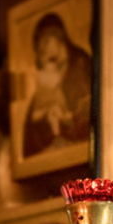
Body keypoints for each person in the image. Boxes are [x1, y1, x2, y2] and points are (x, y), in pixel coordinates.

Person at [22, 13, 93, 157]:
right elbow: (30, 136)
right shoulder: (48, 75)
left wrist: (69, 119)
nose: (44, 50)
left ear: (59, 36)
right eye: (40, 48)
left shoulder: (81, 64)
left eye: (46, 42)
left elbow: (90, 112)